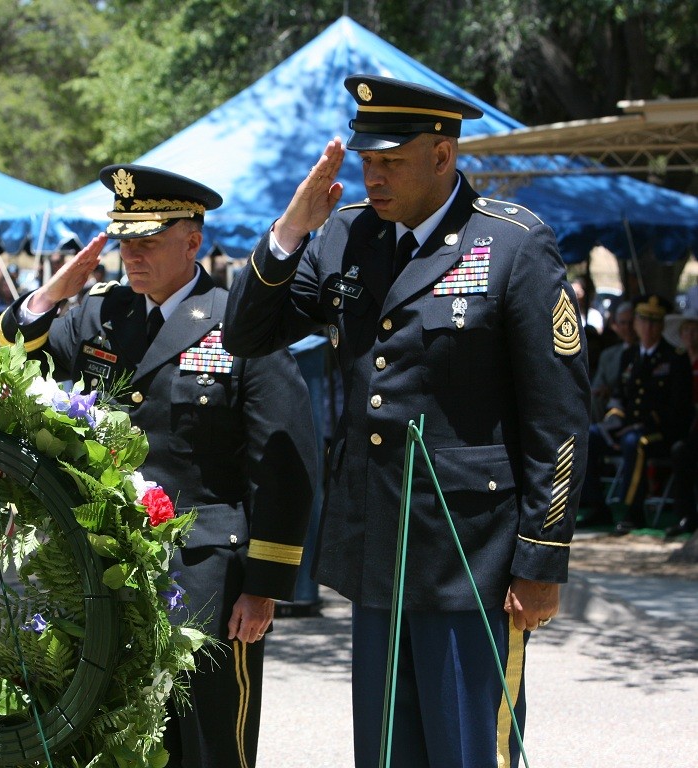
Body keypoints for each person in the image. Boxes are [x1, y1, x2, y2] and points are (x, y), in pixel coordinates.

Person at [222, 75, 590, 768]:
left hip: (470, 557)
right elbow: (246, 334)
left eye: (391, 160)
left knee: (470, 751)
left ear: (443, 155)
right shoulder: (347, 236)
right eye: (367, 161)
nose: (373, 175)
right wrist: (292, 229)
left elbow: (559, 414)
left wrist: (543, 556)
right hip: (378, 549)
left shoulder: (511, 245)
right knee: (387, 751)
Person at [0, 165, 317, 768]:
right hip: (104, 564)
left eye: (147, 240)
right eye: (124, 240)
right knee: (112, 732)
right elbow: (7, 374)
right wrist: (46, 299)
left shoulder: (237, 322)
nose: (131, 255)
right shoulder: (96, 315)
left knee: (209, 736)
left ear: (192, 241)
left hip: (206, 572)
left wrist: (264, 586)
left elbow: (283, 460)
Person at [581, 294, 692, 534]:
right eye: (644, 321)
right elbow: (620, 396)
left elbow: (678, 407)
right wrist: (615, 416)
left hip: (659, 432)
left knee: (635, 442)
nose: (649, 327)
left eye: (654, 322)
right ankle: (596, 505)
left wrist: (641, 424)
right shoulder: (629, 356)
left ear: (662, 325)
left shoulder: (675, 358)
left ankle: (633, 510)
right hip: (625, 427)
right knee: (589, 436)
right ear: (636, 324)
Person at [662, 306, 698, 537]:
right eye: (686, 330)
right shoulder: (678, 362)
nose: (690, 335)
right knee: (679, 451)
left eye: (695, 330)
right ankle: (686, 514)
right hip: (681, 428)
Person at [589, 299, 637, 421]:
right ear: (616, 326)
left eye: (631, 323)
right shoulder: (608, 355)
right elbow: (598, 386)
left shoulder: (644, 353)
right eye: (623, 323)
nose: (628, 328)